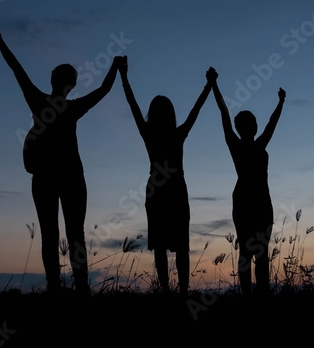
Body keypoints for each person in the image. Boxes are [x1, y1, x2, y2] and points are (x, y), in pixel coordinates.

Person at [0, 24, 121, 295]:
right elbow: (104, 89)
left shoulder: (38, 101)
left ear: (52, 81)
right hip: (72, 176)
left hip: (45, 177)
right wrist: (116, 65)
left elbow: (16, 67)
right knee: (76, 237)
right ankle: (81, 289)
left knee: (50, 237)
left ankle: (53, 289)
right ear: (71, 84)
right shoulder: (73, 108)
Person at [119, 56, 210, 295]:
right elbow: (195, 111)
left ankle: (167, 292)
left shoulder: (149, 133)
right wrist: (208, 86)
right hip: (176, 187)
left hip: (157, 189)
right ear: (171, 114)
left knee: (160, 245)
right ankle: (181, 293)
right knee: (181, 245)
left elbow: (133, 105)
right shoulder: (177, 134)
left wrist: (124, 76)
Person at [207, 67, 285, 295]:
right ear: (251, 127)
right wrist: (281, 102)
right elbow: (225, 113)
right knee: (256, 254)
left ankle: (253, 296)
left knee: (255, 253)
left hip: (254, 200)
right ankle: (254, 296)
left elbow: (224, 113)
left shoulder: (241, 145)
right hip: (254, 200)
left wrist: (213, 84)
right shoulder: (250, 145)